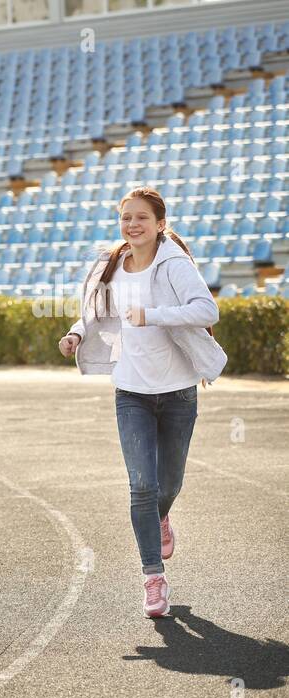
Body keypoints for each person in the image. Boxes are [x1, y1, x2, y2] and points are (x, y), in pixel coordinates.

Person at [58, 187, 226, 618]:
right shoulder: (111, 266)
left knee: (167, 485)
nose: (132, 225)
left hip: (177, 392)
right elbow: (97, 309)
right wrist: (78, 332)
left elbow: (206, 311)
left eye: (142, 218)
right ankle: (154, 579)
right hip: (130, 390)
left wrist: (153, 315)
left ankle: (161, 517)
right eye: (126, 218)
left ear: (160, 224)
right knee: (141, 486)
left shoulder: (174, 264)